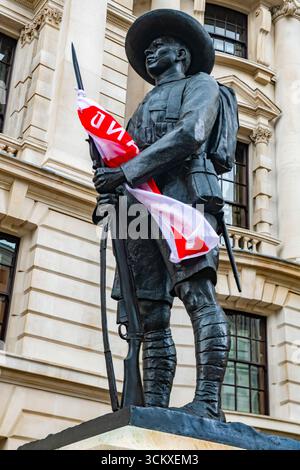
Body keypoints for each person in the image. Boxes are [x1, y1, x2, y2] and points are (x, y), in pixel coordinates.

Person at [93, 9, 238, 421]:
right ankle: (154, 406)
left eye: (161, 46)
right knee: (149, 313)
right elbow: (127, 155)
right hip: (136, 210)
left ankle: (207, 400)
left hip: (183, 194)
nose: (152, 52)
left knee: (197, 296)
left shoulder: (202, 85)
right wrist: (111, 185)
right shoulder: (142, 106)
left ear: (182, 54)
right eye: (149, 48)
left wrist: (126, 171)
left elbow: (190, 133)